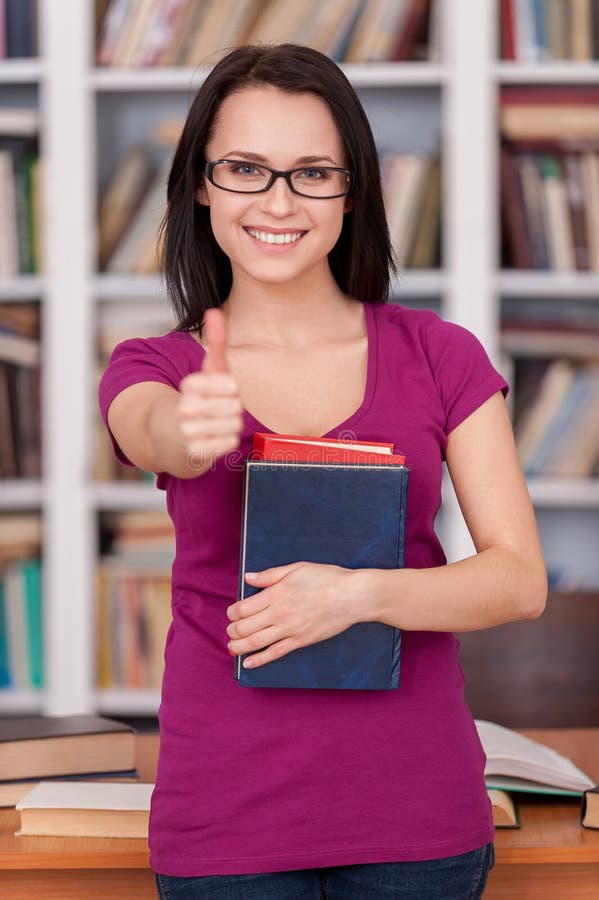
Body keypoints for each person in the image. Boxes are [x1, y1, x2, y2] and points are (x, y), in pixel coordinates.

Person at [98, 43, 547, 900]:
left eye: (311, 173)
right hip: (225, 819)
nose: (278, 201)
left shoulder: (438, 353)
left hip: (417, 817)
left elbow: (518, 580)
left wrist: (355, 595)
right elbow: (151, 432)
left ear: (352, 191)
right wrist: (189, 428)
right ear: (200, 182)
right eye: (245, 169)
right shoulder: (155, 366)